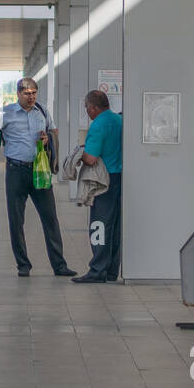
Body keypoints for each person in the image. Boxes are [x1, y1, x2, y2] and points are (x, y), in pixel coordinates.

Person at [0, 77, 76, 278]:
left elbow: (54, 130)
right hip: (16, 171)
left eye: (34, 93)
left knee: (50, 218)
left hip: (39, 171)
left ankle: (59, 265)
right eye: (27, 93)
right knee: (16, 220)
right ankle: (23, 265)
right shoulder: (6, 113)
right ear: (18, 94)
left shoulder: (42, 111)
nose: (31, 96)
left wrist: (47, 138)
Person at [73, 90, 122, 283]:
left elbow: (91, 159)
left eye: (87, 108)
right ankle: (111, 271)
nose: (87, 111)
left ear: (93, 108)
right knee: (114, 226)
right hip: (120, 178)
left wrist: (77, 155)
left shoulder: (98, 125)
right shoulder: (118, 120)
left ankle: (97, 270)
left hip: (103, 181)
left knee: (99, 225)